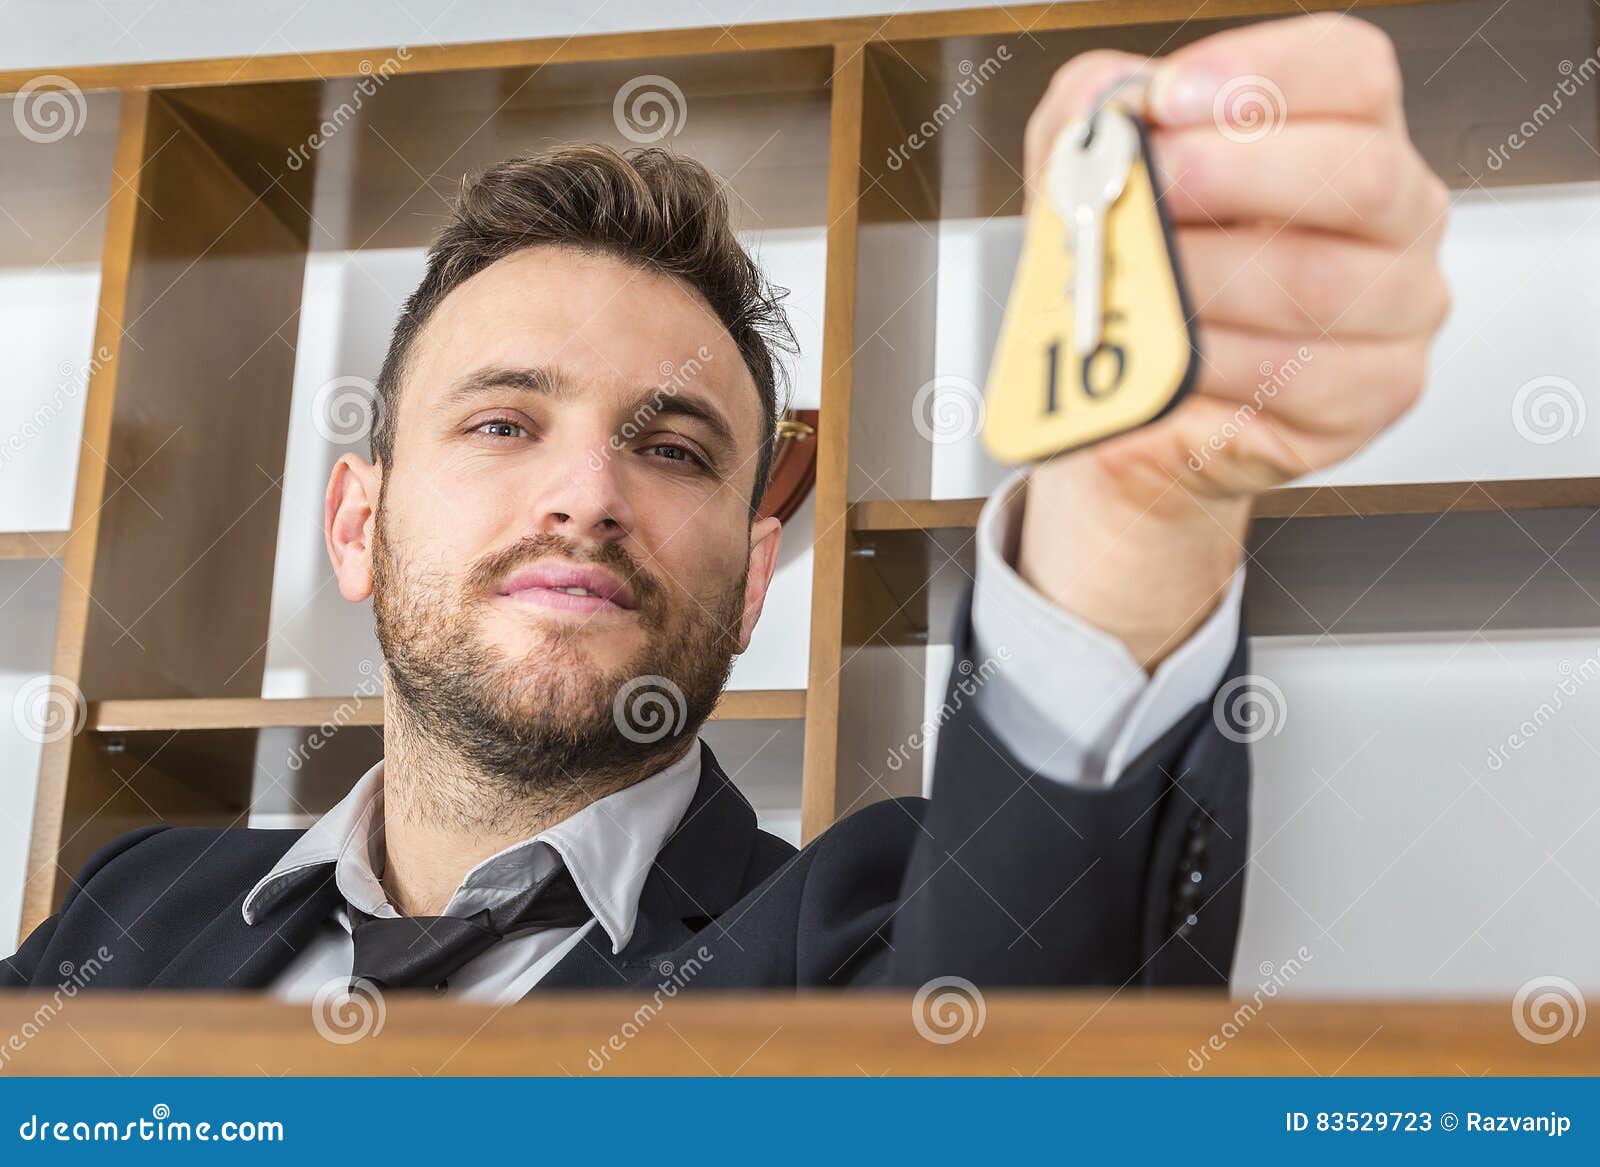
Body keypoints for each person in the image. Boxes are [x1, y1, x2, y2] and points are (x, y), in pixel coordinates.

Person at [3, 14, 1448, 1000]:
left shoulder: (866, 947)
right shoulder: (132, 906)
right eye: (505, 422)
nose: (586, 497)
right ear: (355, 522)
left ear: (759, 570)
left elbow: (1045, 1031)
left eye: (676, 450)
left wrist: (1133, 510)